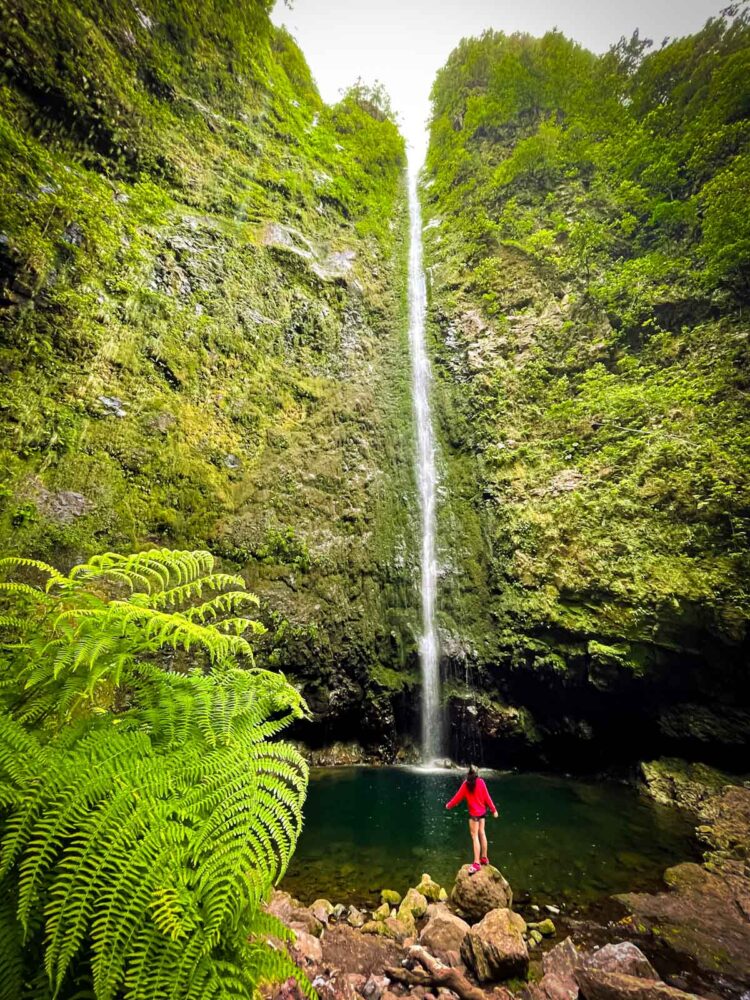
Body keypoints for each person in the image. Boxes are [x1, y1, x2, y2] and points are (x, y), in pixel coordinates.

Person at [445, 765, 499, 874]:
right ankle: (484, 858)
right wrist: (494, 810)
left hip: (474, 815)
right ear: (476, 775)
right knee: (482, 833)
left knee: (475, 837)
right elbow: (487, 797)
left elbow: (457, 797)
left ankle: (476, 863)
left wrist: (448, 805)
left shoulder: (465, 785)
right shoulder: (481, 782)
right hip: (483, 813)